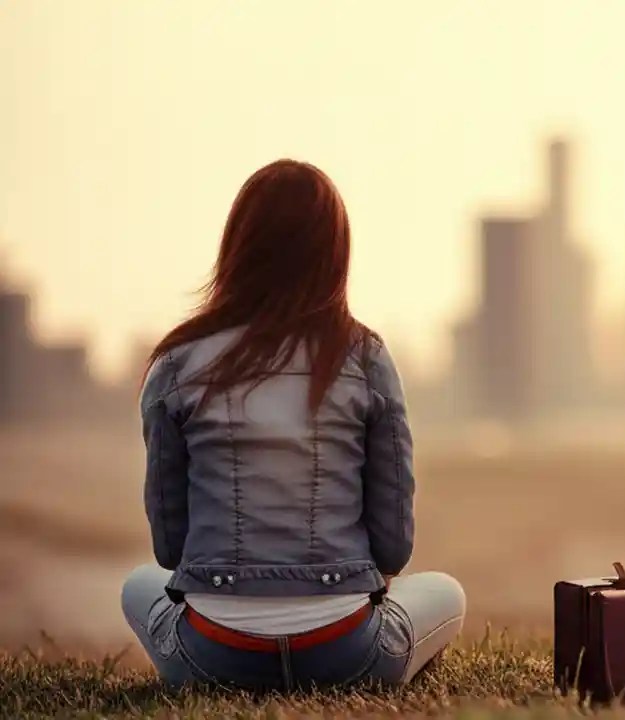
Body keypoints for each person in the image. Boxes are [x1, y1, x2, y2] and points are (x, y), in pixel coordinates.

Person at [120, 159, 465, 690]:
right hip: (347, 652)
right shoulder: (364, 357)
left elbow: (170, 551)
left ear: (238, 247)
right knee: (447, 593)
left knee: (137, 585)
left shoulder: (177, 362)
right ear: (335, 254)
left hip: (213, 657)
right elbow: (394, 547)